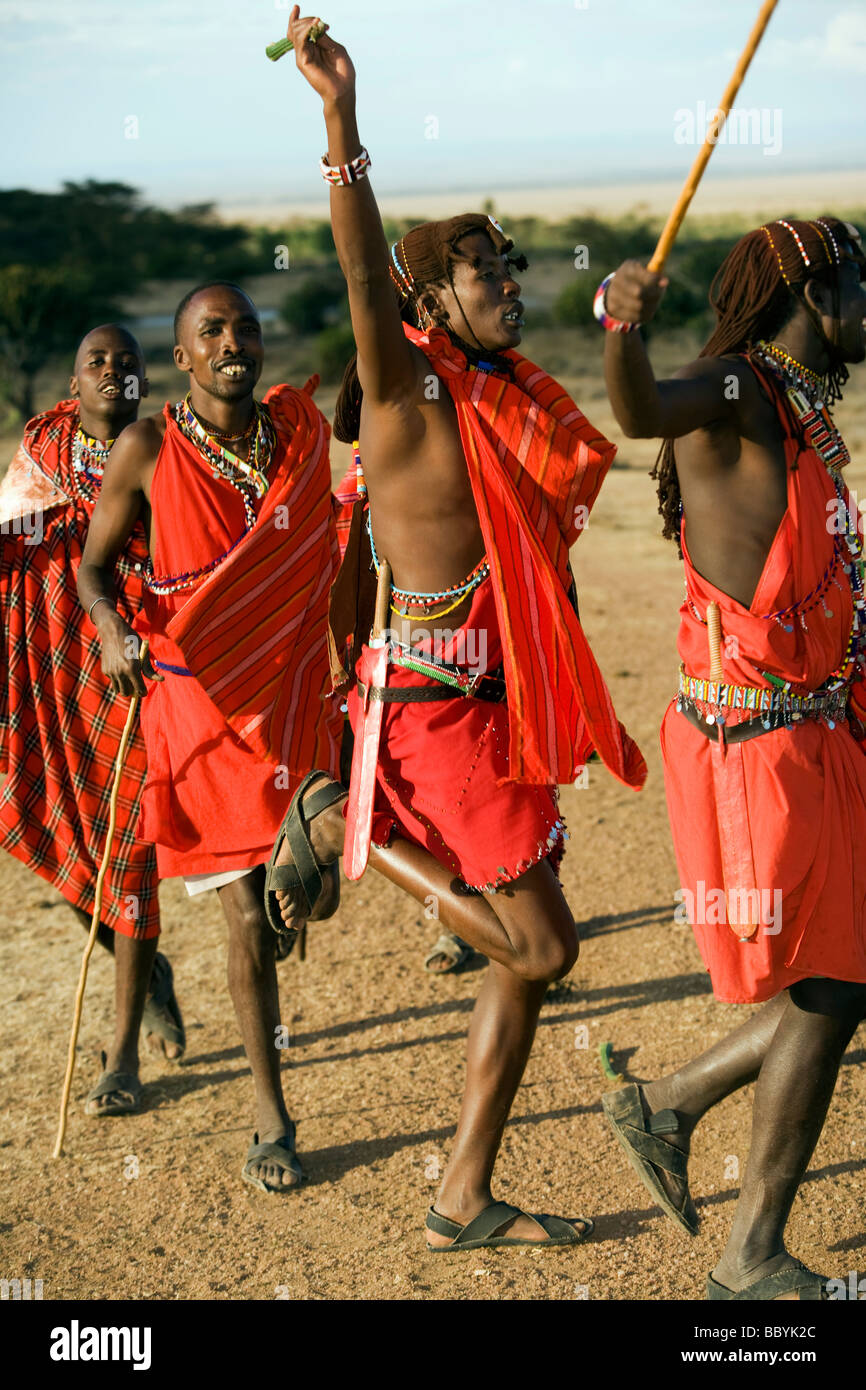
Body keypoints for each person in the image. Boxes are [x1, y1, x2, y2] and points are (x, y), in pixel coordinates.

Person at [269, 11, 645, 1252]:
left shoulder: (505, 400)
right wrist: (340, 116)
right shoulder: (406, 387)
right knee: (542, 945)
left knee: (516, 971)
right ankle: (341, 823)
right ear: (430, 295)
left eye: (514, 269)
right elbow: (358, 260)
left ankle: (460, 1194)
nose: (511, 287)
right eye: (487, 273)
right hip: (431, 714)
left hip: (499, 714)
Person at [599, 216, 866, 1299]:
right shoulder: (733, 389)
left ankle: (666, 1103)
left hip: (812, 724)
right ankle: (749, 1252)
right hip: (761, 743)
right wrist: (619, 327)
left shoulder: (799, 404)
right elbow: (634, 410)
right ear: (809, 288)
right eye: (857, 282)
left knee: (846, 977)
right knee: (835, 980)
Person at [78, 283, 342, 1191]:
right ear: (182, 359)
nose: (235, 342)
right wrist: (114, 635)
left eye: (247, 329)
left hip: (295, 697)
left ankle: (299, 884)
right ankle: (272, 1117)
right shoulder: (147, 449)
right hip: (195, 705)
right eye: (211, 332)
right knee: (245, 921)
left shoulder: (298, 442)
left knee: (320, 862)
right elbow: (93, 569)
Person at [0, 324, 185, 1117]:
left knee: (130, 851)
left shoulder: (171, 450)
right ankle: (143, 965)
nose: (114, 371)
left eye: (127, 361)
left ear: (148, 377)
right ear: (74, 381)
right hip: (53, 664)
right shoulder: (41, 451)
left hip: (139, 666)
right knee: (68, 839)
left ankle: (122, 1053)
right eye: (96, 362)